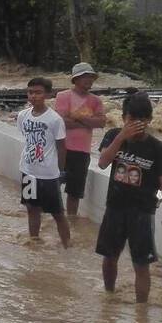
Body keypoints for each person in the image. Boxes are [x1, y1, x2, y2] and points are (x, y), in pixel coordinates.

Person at [96, 92, 162, 303]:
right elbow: (103, 162)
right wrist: (121, 137)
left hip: (142, 212)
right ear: (123, 118)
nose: (136, 124)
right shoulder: (113, 135)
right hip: (114, 207)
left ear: (149, 120)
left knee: (141, 264)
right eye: (131, 119)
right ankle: (109, 296)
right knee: (109, 256)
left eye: (141, 120)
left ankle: (142, 310)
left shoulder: (158, 149)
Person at [17, 77, 70, 247]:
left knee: (57, 213)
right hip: (28, 171)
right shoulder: (22, 116)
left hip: (48, 175)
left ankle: (67, 246)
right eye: (30, 92)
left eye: (38, 92)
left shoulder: (54, 119)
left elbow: (61, 147)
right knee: (31, 208)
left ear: (48, 94)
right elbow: (25, 138)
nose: (34, 96)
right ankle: (34, 241)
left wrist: (61, 171)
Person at [52, 63, 105, 216]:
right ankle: (53, 217)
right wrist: (88, 120)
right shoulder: (63, 96)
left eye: (91, 77)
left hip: (82, 152)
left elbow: (101, 122)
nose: (89, 80)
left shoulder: (96, 101)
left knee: (75, 192)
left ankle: (71, 221)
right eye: (85, 76)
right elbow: (61, 122)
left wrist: (78, 117)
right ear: (75, 79)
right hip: (62, 149)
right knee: (52, 185)